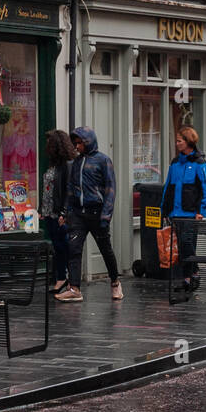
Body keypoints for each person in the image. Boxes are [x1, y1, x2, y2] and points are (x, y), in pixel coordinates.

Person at [57, 127, 121, 302]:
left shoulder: (103, 161)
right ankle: (75, 288)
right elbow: (71, 189)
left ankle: (115, 282)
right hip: (78, 213)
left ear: (88, 142)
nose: (77, 146)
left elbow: (110, 190)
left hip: (97, 212)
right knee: (74, 249)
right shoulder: (76, 163)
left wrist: (106, 216)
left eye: (80, 143)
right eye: (75, 143)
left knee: (105, 249)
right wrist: (65, 212)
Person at [161, 126, 206, 292]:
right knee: (181, 247)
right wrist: (164, 209)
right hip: (175, 213)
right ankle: (187, 278)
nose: (176, 144)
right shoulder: (175, 163)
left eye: (179, 141)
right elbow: (168, 186)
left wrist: (200, 211)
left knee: (187, 243)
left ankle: (194, 273)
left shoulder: (199, 163)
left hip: (190, 214)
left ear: (188, 141)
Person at [40, 129, 76, 293]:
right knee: (58, 246)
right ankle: (61, 278)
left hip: (59, 214)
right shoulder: (52, 165)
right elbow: (48, 190)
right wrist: (42, 209)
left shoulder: (67, 165)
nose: (47, 146)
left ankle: (68, 279)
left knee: (64, 246)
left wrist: (64, 213)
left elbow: (68, 191)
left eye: (50, 143)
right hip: (49, 213)